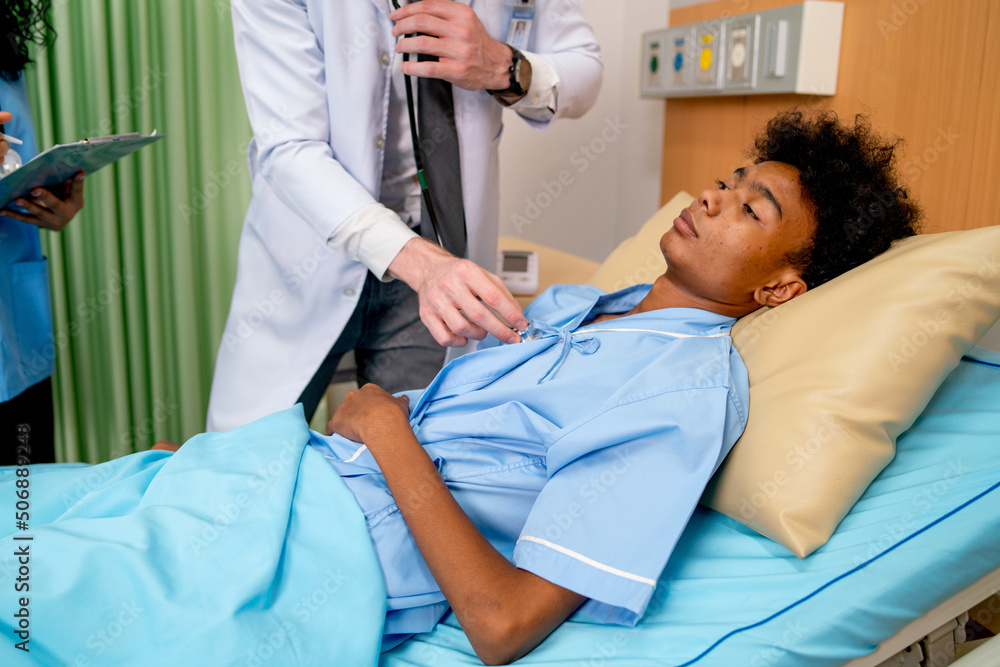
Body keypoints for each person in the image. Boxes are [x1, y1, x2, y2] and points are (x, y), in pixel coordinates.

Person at [0, 111, 920, 665]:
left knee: (43, 582)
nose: (712, 198)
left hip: (326, 553)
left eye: (752, 207)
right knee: (34, 513)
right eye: (729, 181)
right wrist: (231, 465)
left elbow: (503, 621)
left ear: (783, 288)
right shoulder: (576, 305)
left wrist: (383, 424)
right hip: (277, 477)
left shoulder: (680, 390)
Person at [206, 0, 604, 432]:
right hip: (311, 254)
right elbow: (289, 147)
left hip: (437, 253)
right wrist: (422, 264)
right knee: (244, 463)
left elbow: (586, 69)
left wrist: (502, 65)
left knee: (411, 464)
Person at [0, 0, 86, 466]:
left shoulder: (5, 47)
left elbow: (13, 158)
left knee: (27, 521)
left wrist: (49, 196)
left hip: (17, 326)